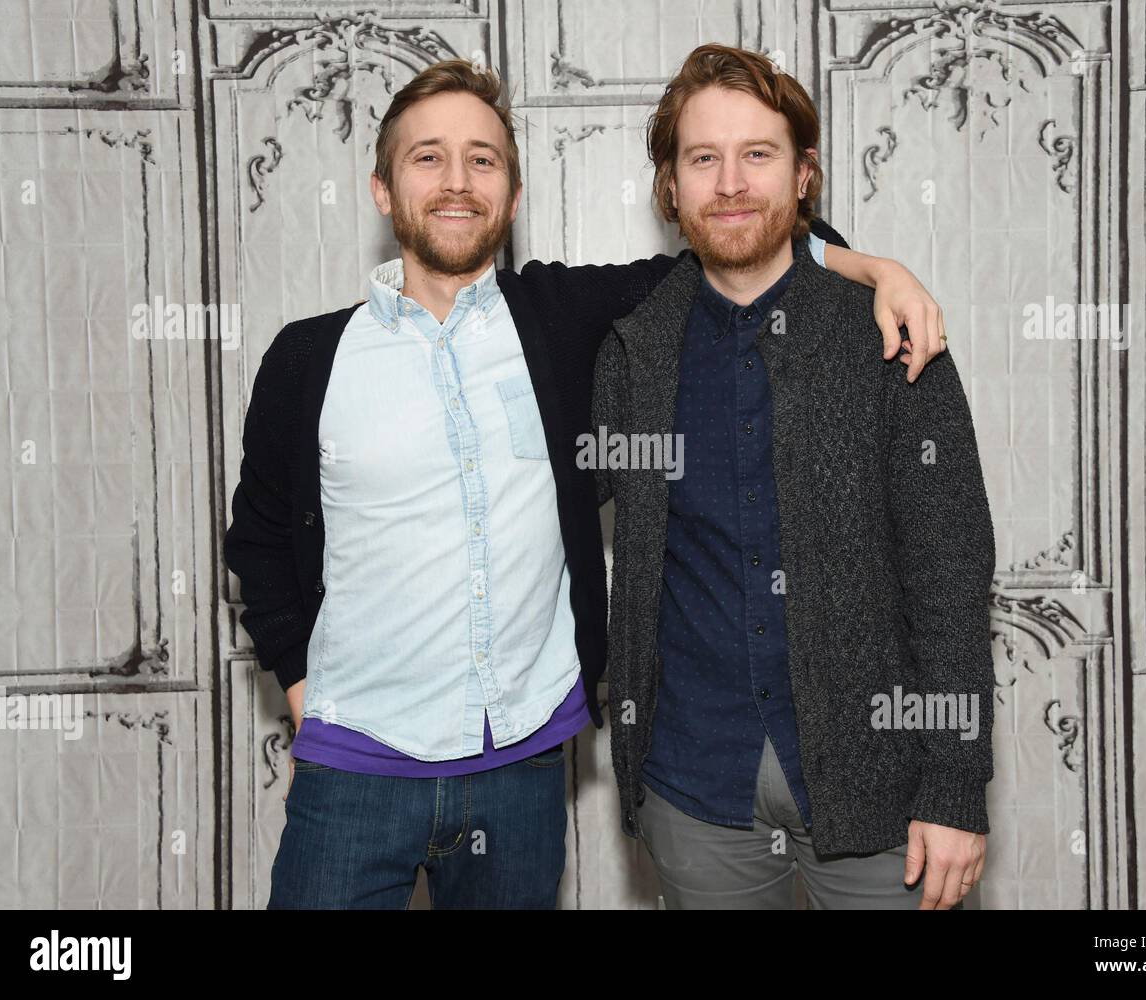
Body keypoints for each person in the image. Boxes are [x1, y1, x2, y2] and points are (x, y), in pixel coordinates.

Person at [224, 57, 948, 909]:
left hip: (520, 769)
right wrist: (303, 687)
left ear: (514, 194)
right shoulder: (308, 357)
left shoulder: (562, 323)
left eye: (483, 159)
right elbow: (260, 536)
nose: (457, 181)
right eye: (427, 158)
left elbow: (737, 237)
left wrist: (868, 266)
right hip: (353, 770)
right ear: (382, 189)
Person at [591, 43, 997, 910]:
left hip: (883, 797)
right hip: (697, 795)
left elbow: (950, 570)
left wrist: (956, 785)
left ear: (804, 174)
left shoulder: (890, 337)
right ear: (670, 186)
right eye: (704, 158)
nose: (730, 182)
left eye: (758, 154)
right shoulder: (636, 350)